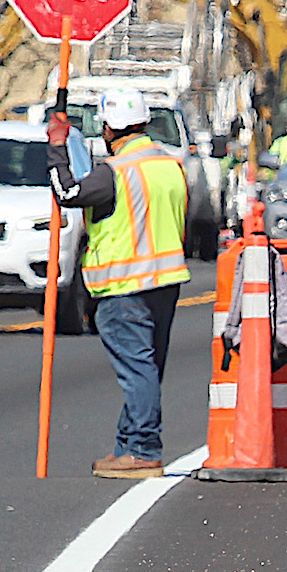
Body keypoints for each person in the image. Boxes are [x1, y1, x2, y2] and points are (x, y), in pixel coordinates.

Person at [47, 88, 190, 479]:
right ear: (143, 123)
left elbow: (68, 193)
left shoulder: (116, 171)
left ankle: (143, 450)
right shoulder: (169, 165)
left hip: (123, 285)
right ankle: (128, 446)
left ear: (109, 128)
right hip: (165, 281)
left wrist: (57, 148)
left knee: (137, 370)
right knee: (146, 367)